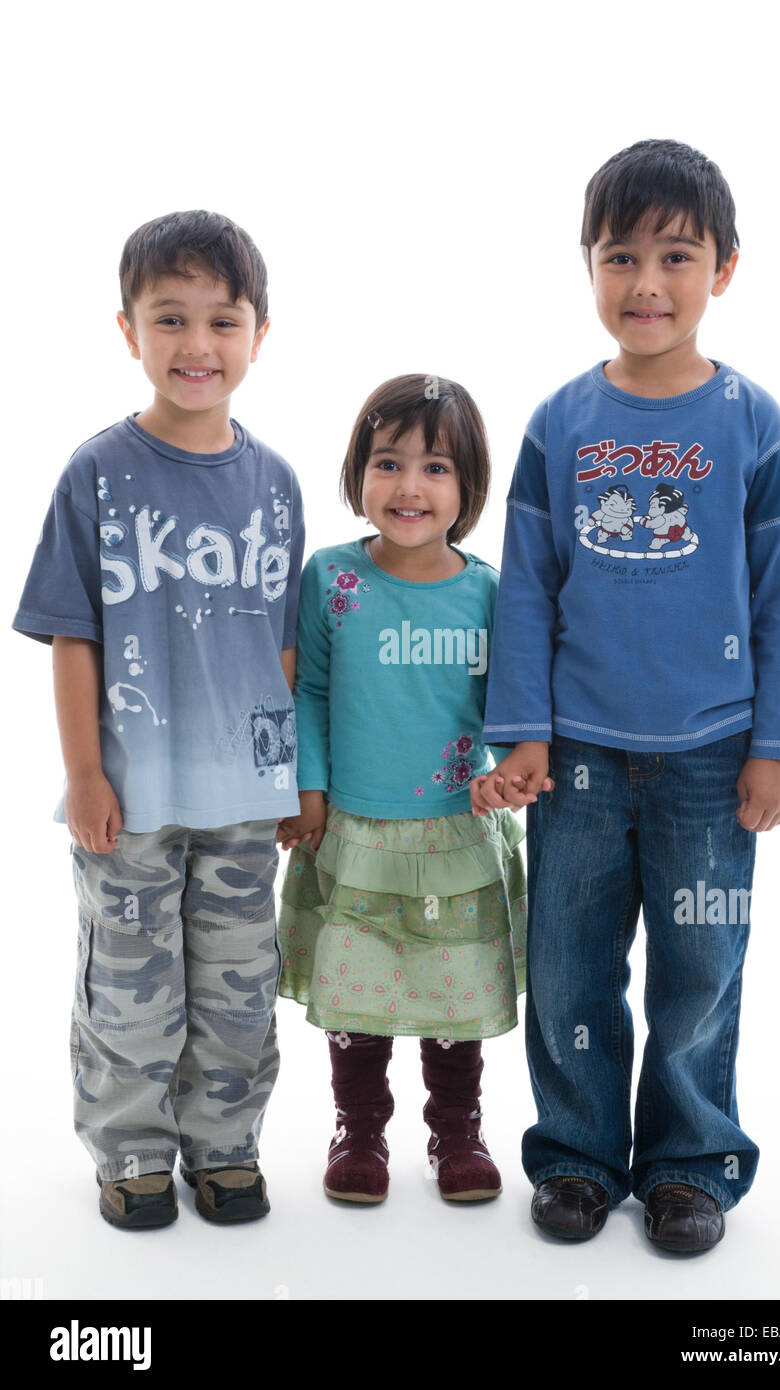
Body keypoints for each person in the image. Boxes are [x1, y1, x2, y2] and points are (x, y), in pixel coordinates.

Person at [473, 139, 780, 1254]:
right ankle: (574, 1155)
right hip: (571, 758)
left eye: (676, 254)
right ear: (588, 266)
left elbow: (779, 596)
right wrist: (518, 730)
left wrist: (775, 743)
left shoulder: (751, 425)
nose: (646, 284)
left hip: (713, 756)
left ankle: (686, 1163)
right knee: (567, 960)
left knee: (698, 966)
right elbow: (523, 594)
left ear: (723, 268)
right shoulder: (556, 427)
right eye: (620, 256)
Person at [13, 210, 304, 1229]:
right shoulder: (98, 473)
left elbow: (282, 648)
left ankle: (223, 1146)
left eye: (222, 321)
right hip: (129, 797)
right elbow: (72, 635)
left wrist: (289, 778)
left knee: (236, 986)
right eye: (169, 318)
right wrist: (87, 774)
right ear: (128, 330)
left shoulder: (274, 483)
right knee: (133, 991)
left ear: (258, 334)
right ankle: (132, 1154)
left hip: (240, 798)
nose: (196, 346)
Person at [276, 374, 530, 1204]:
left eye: (437, 468)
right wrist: (309, 788)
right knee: (361, 992)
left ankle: (457, 1129)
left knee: (454, 993)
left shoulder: (488, 592)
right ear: (358, 475)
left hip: (454, 834)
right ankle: (361, 1129)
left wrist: (503, 767)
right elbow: (308, 688)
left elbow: (513, 701)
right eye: (388, 463)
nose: (410, 487)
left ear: (469, 488)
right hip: (355, 830)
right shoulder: (331, 578)